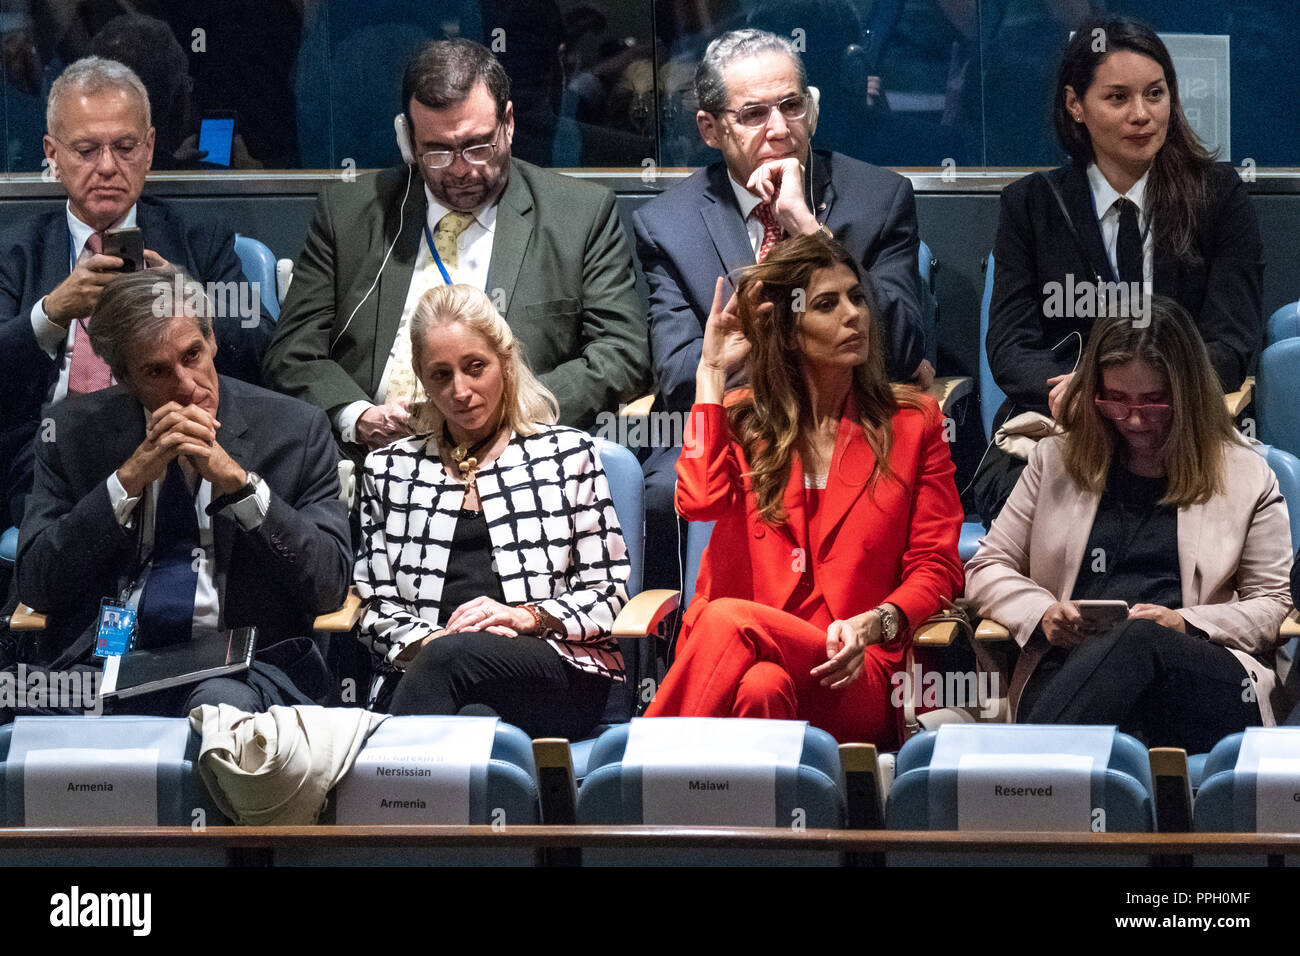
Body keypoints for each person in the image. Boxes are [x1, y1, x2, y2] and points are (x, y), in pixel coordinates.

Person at [633, 28, 929, 590]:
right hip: (737, 430)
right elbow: (679, 372)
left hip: (847, 425)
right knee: (660, 489)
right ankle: (675, 650)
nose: (778, 129)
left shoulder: (879, 198)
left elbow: (903, 345)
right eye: (752, 114)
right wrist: (807, 365)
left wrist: (806, 227)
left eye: (791, 106)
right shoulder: (666, 226)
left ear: (811, 110)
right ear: (710, 129)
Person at [644, 234, 964, 748]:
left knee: (728, 619)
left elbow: (938, 567)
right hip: (746, 664)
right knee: (762, 688)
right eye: (826, 304)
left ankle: (642, 778)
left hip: (851, 669)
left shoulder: (912, 424)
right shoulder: (743, 418)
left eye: (857, 298)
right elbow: (699, 502)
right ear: (789, 333)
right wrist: (710, 375)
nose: (853, 315)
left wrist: (875, 624)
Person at [263, 37, 650, 460]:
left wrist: (505, 411)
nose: (462, 169)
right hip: (370, 459)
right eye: (438, 151)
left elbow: (622, 353)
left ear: (508, 123)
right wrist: (357, 416)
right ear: (408, 139)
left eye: (478, 145)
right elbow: (291, 354)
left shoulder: (577, 216)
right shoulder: (350, 214)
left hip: (517, 456)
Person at [14, 268, 351, 717]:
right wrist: (128, 479)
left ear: (211, 340)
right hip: (107, 659)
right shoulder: (73, 433)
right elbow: (37, 583)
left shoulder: (294, 430)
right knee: (19, 700)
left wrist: (238, 483)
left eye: (192, 354)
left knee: (218, 714)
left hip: (239, 667)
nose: (187, 385)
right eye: (157, 371)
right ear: (124, 377)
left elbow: (328, 586)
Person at [974, 14, 1263, 525]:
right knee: (1037, 498)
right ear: (1074, 105)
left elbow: (1232, 340)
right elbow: (1010, 347)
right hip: (1064, 416)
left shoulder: (1218, 196)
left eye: (1155, 94)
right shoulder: (1031, 206)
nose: (1141, 115)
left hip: (1179, 417)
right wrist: (1089, 396)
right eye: (1117, 98)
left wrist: (1152, 395)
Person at [965, 299, 1291, 752]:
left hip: (1202, 677)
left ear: (1187, 393)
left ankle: (1023, 777)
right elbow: (986, 566)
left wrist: (1184, 624)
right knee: (1119, 653)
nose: (1135, 419)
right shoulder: (1055, 460)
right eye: (1115, 400)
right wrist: (1043, 613)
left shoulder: (1244, 473)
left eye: (1154, 401)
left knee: (1139, 639)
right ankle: (1034, 782)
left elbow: (1273, 604)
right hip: (1075, 668)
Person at [0, 56, 267, 531]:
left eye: (124, 147)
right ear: (52, 154)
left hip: (184, 443)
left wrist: (192, 303)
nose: (107, 167)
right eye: (85, 150)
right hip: (50, 454)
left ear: (149, 149)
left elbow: (259, 350)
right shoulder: (15, 253)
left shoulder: (198, 239)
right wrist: (51, 312)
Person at [354, 283, 629, 740]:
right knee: (472, 723)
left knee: (452, 663)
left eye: (474, 367)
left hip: (553, 664)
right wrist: (429, 641)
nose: (460, 390)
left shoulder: (566, 454)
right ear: (422, 381)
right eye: (440, 375)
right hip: (430, 670)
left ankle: (378, 801)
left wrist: (528, 617)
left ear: (504, 361)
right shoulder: (389, 469)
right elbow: (373, 603)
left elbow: (608, 593)